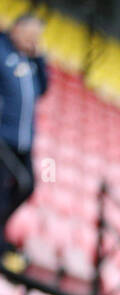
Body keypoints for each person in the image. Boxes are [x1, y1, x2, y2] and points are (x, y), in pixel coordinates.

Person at [0, 14, 47, 259]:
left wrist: (38, 55)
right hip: (3, 139)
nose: (33, 39)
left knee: (26, 186)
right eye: (30, 33)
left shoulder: (29, 61)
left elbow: (44, 88)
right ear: (18, 29)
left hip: (23, 141)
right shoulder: (2, 49)